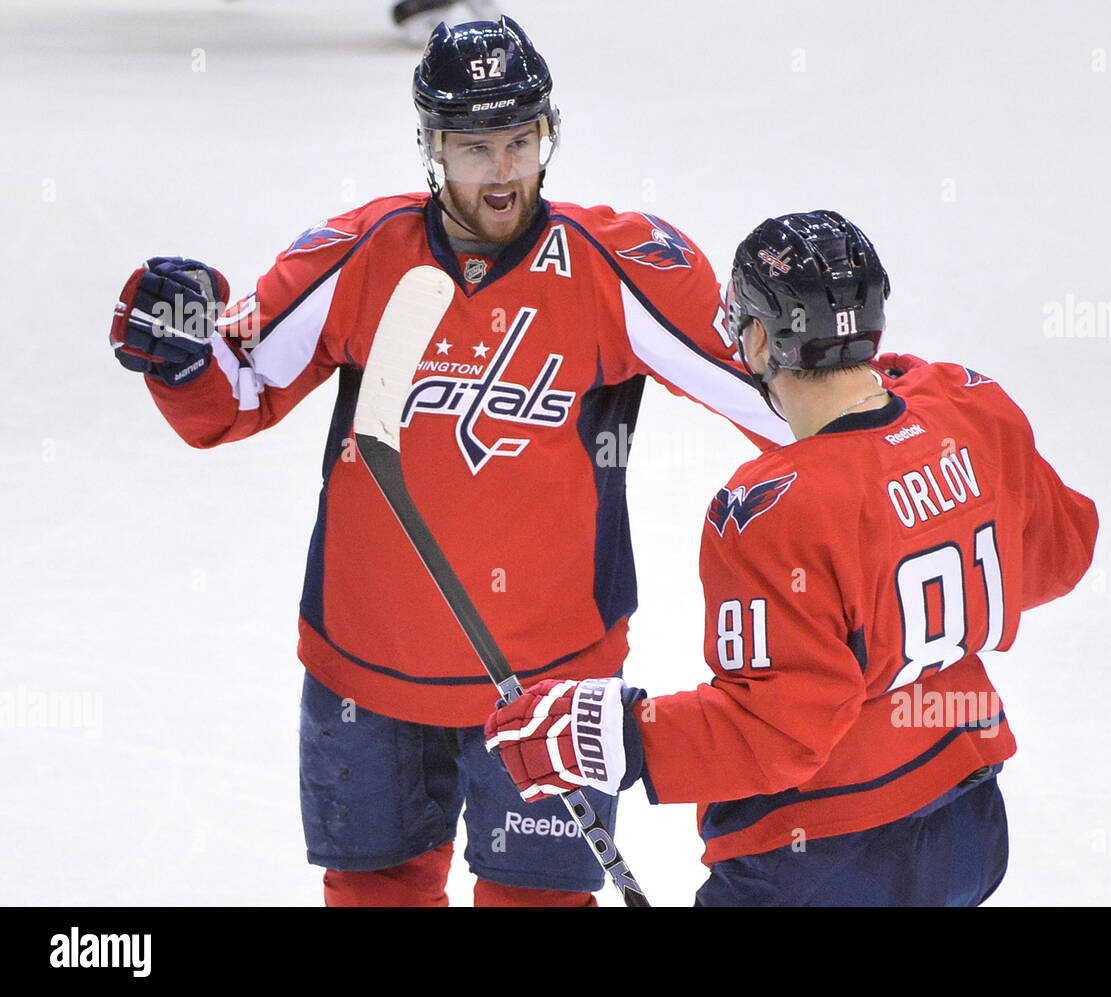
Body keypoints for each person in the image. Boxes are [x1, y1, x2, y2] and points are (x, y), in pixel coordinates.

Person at [108, 16, 789, 907]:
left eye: (520, 141)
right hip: (367, 673)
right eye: (475, 148)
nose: (503, 172)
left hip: (549, 685)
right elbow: (235, 394)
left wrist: (910, 420)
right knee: (375, 896)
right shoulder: (361, 253)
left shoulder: (616, 266)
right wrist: (182, 351)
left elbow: (782, 404)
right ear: (431, 147)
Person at [486, 210, 1100, 906]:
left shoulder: (769, 507)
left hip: (822, 855)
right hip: (970, 826)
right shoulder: (969, 406)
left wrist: (613, 733)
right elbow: (1061, 553)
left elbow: (778, 731)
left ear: (757, 336)